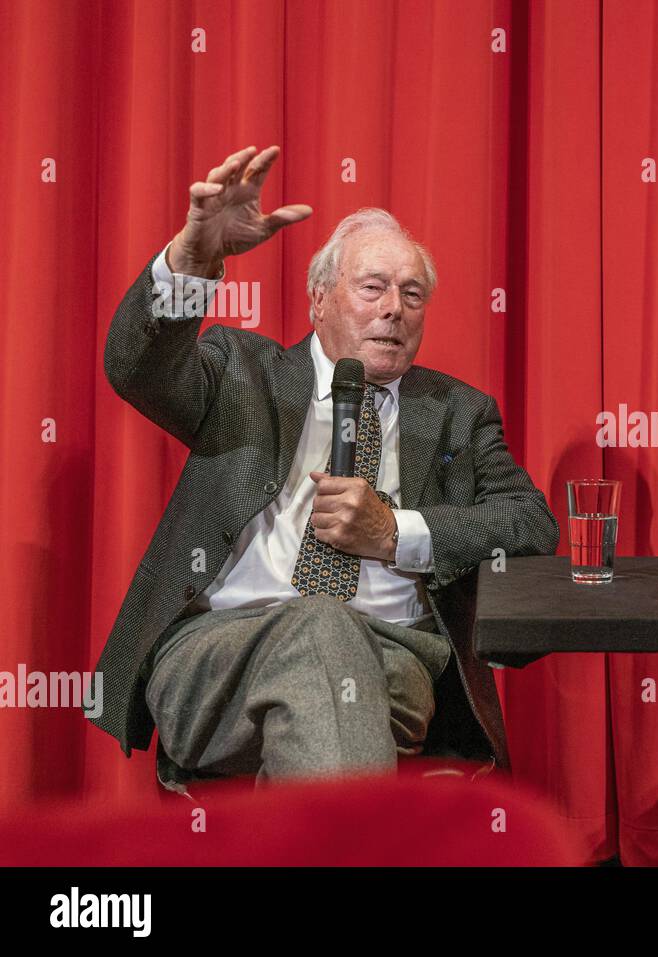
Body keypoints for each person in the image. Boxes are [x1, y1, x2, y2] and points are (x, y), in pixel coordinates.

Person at [86, 145, 559, 787]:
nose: (394, 307)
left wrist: (396, 534)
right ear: (319, 298)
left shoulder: (456, 412)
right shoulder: (242, 373)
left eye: (412, 293)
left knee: (324, 664)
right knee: (319, 629)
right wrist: (194, 260)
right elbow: (135, 366)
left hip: (390, 659)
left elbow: (531, 523)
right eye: (372, 287)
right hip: (219, 656)